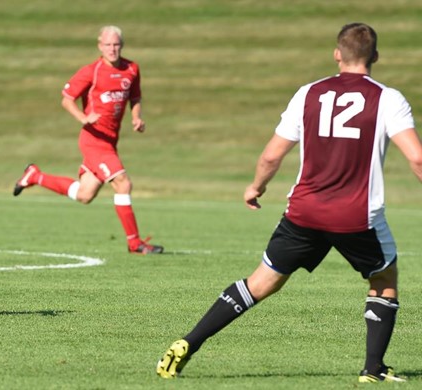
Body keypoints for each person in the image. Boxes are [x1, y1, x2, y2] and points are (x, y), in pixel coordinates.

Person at [156, 23, 420, 382]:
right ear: (375, 56)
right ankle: (372, 369)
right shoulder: (388, 98)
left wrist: (255, 186)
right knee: (383, 279)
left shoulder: (308, 93)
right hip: (355, 216)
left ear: (337, 54)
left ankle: (188, 342)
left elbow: (271, 155)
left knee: (260, 283)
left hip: (304, 212)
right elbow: (417, 158)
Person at [12, 25, 163, 254]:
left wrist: (136, 117)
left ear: (121, 45)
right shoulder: (91, 71)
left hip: (110, 141)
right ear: (99, 46)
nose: (112, 49)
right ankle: (135, 243)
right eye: (107, 45)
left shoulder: (132, 69)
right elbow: (67, 99)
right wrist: (83, 117)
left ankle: (35, 176)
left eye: (116, 45)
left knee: (85, 195)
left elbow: (135, 97)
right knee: (123, 183)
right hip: (94, 141)